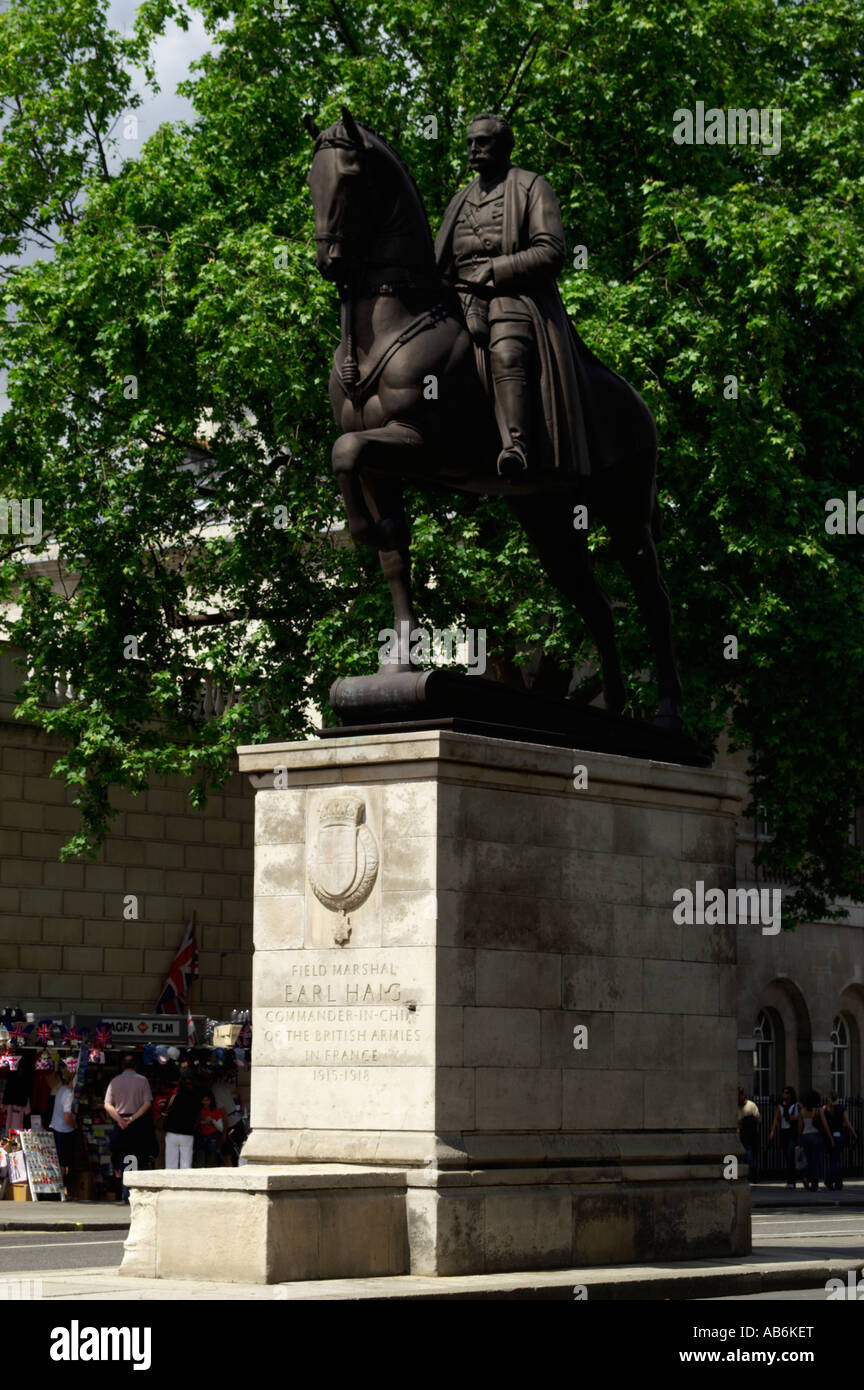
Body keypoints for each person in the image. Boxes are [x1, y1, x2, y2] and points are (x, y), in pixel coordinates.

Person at [435, 114, 595, 481]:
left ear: (504, 147)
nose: (473, 149)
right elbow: (439, 265)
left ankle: (515, 447)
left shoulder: (531, 186)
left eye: (482, 142)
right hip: (459, 299)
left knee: (506, 348)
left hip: (511, 297)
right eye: (469, 143)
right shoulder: (459, 201)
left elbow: (551, 251)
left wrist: (495, 270)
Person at [104, 1054, 153, 1203]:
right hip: (138, 1122)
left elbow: (107, 1104)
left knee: (124, 1159)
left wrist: (119, 1119)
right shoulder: (142, 1080)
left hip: (121, 1124)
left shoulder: (115, 1081)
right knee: (141, 1158)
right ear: (135, 1066)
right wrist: (132, 1118)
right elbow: (147, 1103)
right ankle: (141, 1195)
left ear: (122, 1066)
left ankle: (126, 1195)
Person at [798, 1090, 833, 1193]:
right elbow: (825, 1125)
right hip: (816, 1136)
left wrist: (799, 1140)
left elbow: (800, 1127)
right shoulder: (818, 1110)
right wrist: (830, 1138)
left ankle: (805, 1176)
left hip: (805, 1136)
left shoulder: (802, 1111)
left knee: (808, 1160)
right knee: (816, 1162)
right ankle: (814, 1185)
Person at [162, 1074, 200, 1170]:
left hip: (172, 1133)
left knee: (170, 1164)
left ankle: (170, 1184)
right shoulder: (195, 1098)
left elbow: (164, 1112)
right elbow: (198, 1115)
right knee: (186, 1164)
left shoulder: (173, 1097)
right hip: (187, 1133)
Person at [822, 1091, 856, 1191]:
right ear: (837, 1098)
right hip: (839, 1136)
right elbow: (848, 1124)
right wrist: (854, 1134)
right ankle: (829, 1180)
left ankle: (838, 1183)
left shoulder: (825, 1109)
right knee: (835, 1160)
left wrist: (829, 1138)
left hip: (829, 1137)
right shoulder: (841, 1109)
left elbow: (825, 1126)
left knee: (833, 1159)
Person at [769, 1085, 801, 1189]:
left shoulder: (796, 1105)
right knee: (787, 1157)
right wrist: (773, 1131)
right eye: (784, 1092)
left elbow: (802, 1116)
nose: (785, 1094)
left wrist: (794, 1118)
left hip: (792, 1132)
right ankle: (790, 1180)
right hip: (784, 1132)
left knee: (790, 1155)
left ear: (791, 1094)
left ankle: (792, 1180)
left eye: (787, 1092)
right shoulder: (780, 1106)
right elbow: (776, 1119)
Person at [48, 1069, 76, 1182]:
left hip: (57, 1127)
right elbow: (67, 1117)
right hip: (63, 1130)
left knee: (59, 1159)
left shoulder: (62, 1089)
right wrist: (75, 1125)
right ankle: (60, 1185)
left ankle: (59, 1185)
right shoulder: (69, 1094)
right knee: (61, 1161)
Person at [194, 1091, 224, 1167]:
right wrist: (200, 1122)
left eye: (207, 1100)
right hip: (201, 1139)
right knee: (200, 1161)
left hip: (212, 1139)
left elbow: (221, 1128)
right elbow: (194, 1125)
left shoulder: (216, 1110)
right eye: (203, 1100)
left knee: (212, 1161)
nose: (204, 1102)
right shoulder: (199, 1111)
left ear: (211, 1101)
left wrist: (212, 1120)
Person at [737, 1086, 760, 1182]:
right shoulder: (734, 1107)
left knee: (749, 1156)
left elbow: (758, 1119)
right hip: (738, 1135)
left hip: (749, 1136)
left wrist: (745, 1121)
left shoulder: (751, 1105)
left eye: (739, 1095)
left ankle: (753, 1176)